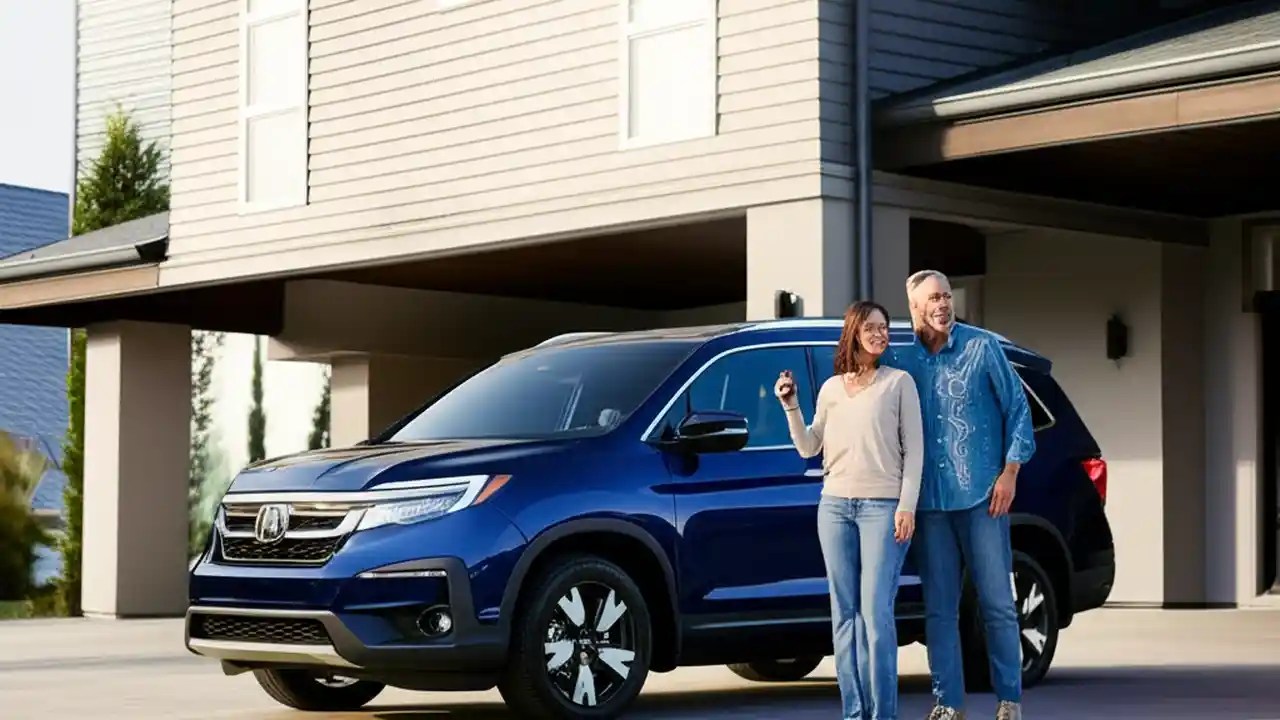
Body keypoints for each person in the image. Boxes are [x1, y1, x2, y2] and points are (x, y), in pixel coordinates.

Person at [878, 270, 1036, 720]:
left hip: (984, 497)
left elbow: (1018, 409)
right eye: (933, 298)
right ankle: (948, 703)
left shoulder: (981, 347)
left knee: (997, 603)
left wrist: (1010, 473)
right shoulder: (900, 359)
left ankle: (1010, 700)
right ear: (914, 308)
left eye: (947, 296)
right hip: (929, 504)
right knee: (939, 611)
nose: (943, 304)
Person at [774, 300, 924, 720]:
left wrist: (905, 506)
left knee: (876, 614)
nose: (880, 334)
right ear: (854, 332)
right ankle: (854, 713)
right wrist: (790, 405)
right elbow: (808, 446)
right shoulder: (831, 389)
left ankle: (884, 714)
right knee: (844, 615)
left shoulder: (899, 383)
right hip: (835, 506)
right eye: (871, 327)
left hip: (883, 507)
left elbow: (915, 452)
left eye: (884, 328)